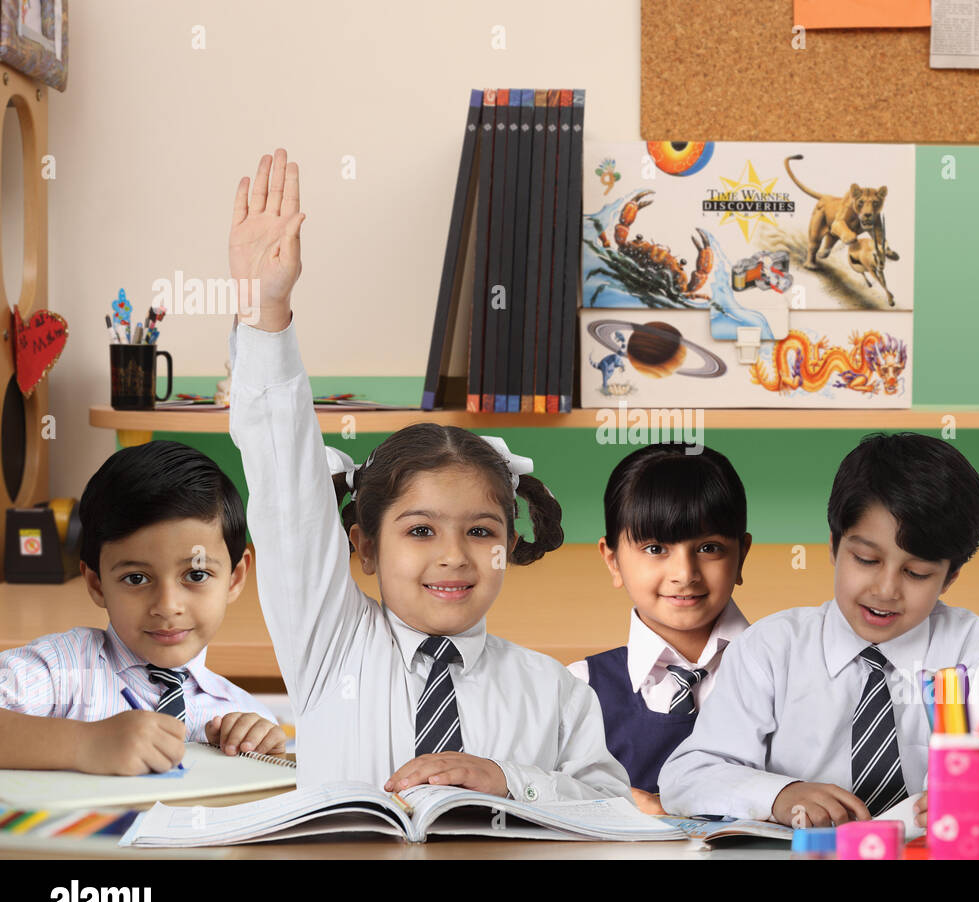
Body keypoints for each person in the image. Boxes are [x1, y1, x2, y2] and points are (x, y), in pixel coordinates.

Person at [227, 148, 630, 802]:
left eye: (479, 530)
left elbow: (612, 815)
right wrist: (262, 310)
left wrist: (509, 782)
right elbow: (286, 494)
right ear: (363, 544)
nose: (453, 556)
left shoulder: (553, 691)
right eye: (419, 531)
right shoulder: (330, 644)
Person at [659, 432, 979, 826]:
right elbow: (687, 777)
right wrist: (778, 795)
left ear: (950, 577)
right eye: (866, 559)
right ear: (834, 546)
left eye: (916, 573)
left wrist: (975, 790)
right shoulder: (771, 648)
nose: (885, 590)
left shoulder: (964, 644)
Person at [0, 441, 284, 774]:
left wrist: (271, 758)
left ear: (235, 578)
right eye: (136, 578)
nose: (167, 606)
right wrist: (84, 743)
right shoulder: (61, 671)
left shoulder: (245, 717)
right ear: (96, 584)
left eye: (195, 574)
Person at [569, 443, 752, 813]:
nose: (684, 574)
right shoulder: (578, 689)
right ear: (613, 560)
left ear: (742, 555)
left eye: (709, 548)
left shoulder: (787, 673)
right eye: (655, 549)